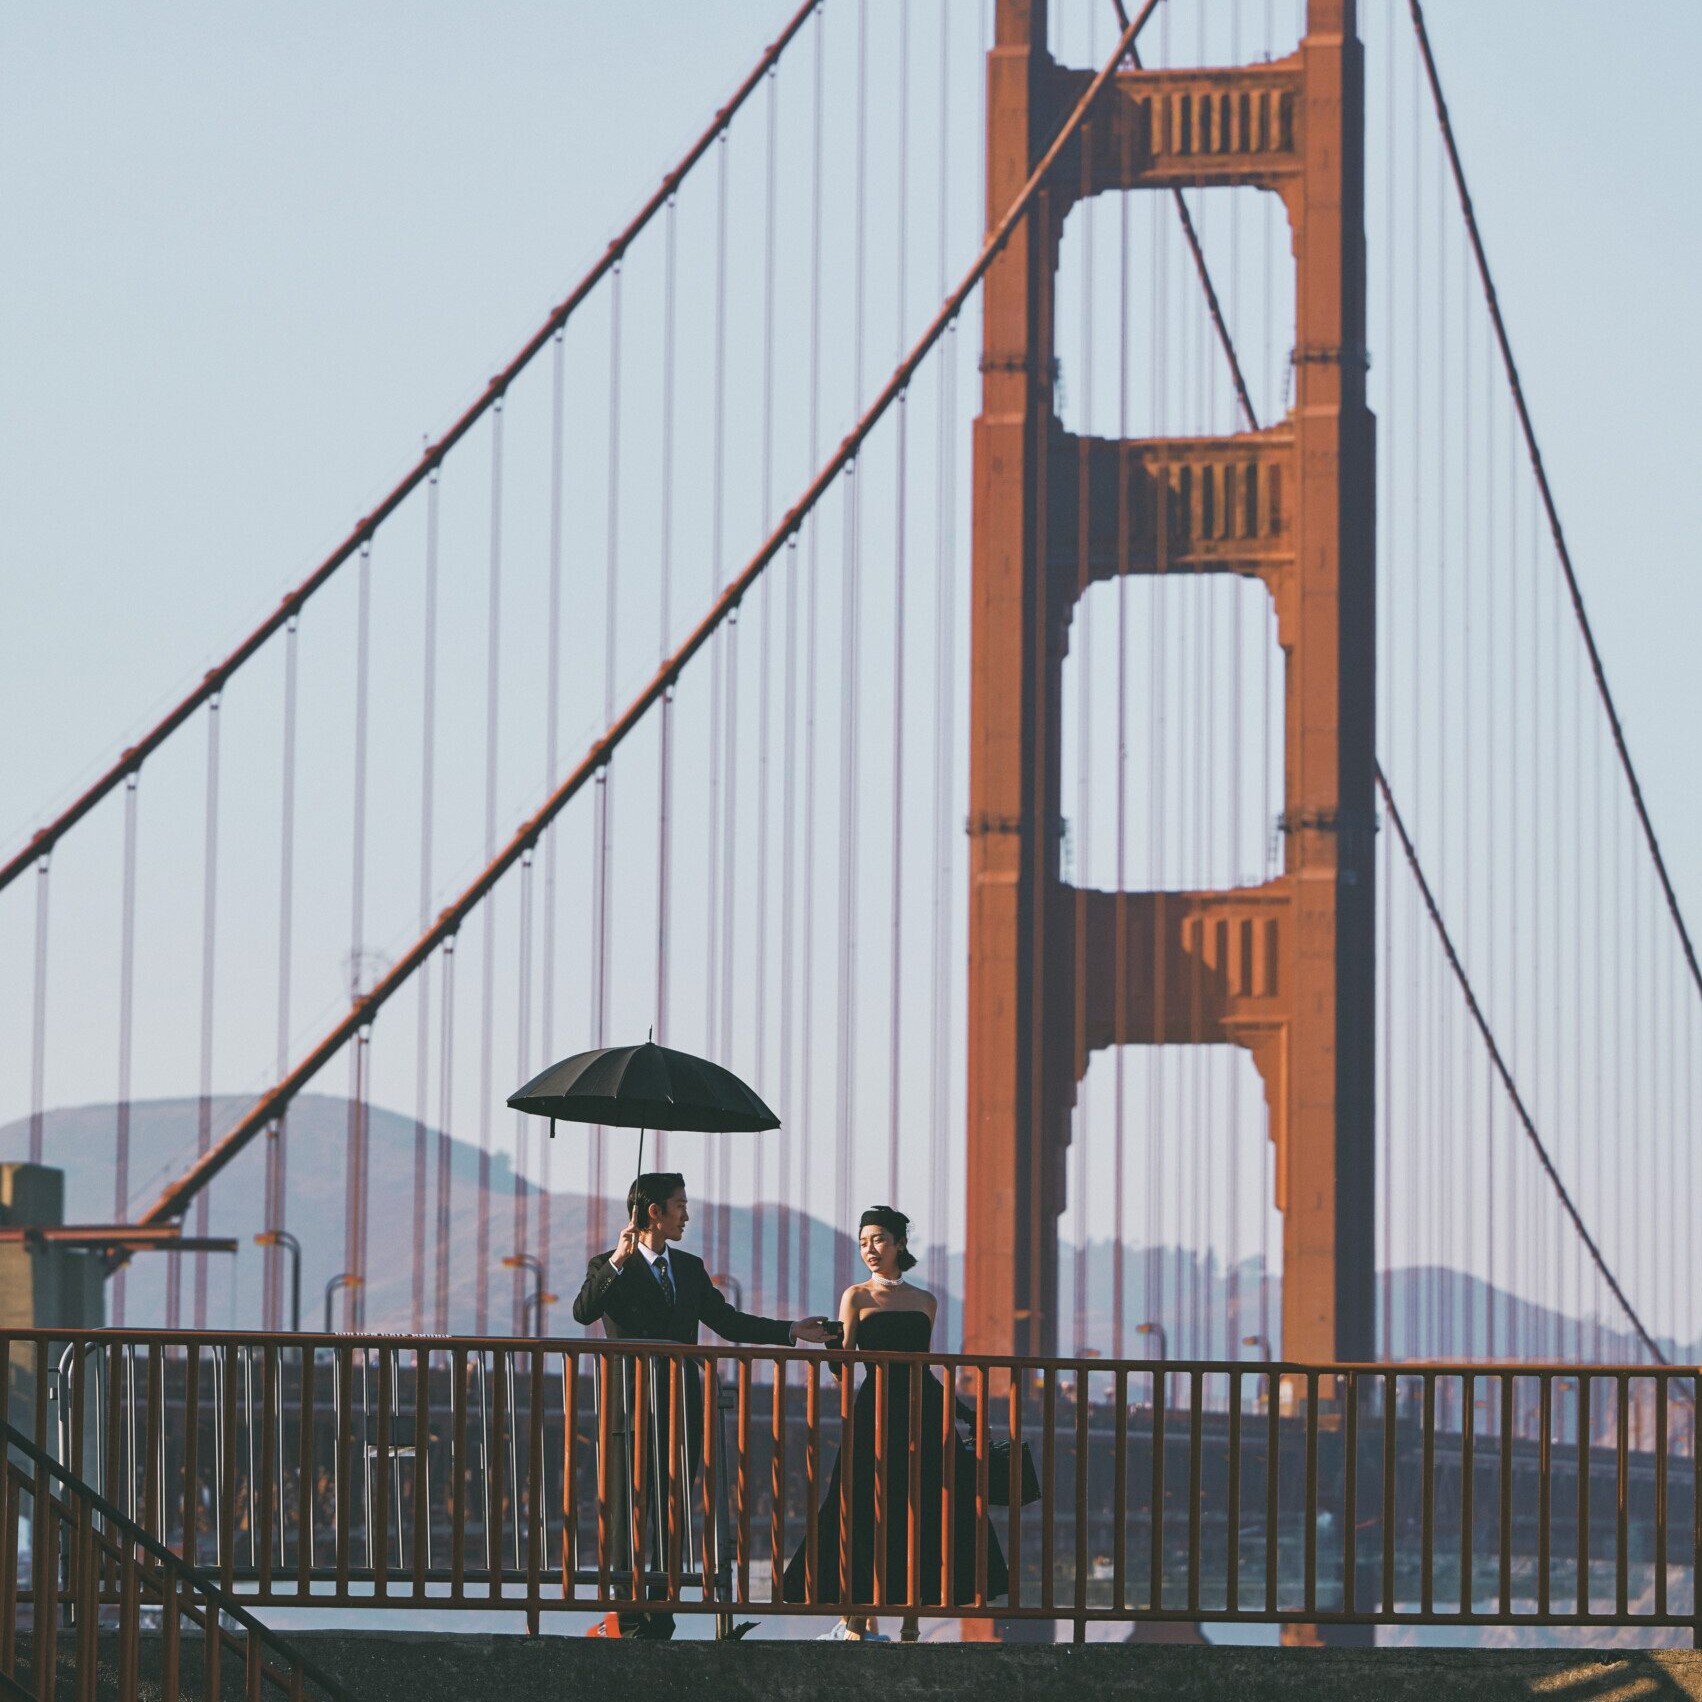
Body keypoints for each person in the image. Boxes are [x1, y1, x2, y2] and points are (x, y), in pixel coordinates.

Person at [573, 1171, 836, 1638]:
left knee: (672, 1508)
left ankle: (662, 1616)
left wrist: (791, 1330)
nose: (687, 1215)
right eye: (680, 1205)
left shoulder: (689, 1268)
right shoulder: (607, 1264)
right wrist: (618, 1258)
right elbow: (583, 1311)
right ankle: (629, 1618)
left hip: (682, 1406)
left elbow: (727, 1323)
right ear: (653, 1211)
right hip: (629, 1410)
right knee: (629, 1512)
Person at [783, 1205, 1008, 1641]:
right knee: (861, 1504)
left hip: (922, 1413)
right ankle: (856, 1616)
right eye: (864, 1241)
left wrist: (964, 1414)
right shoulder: (857, 1296)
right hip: (872, 1413)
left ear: (900, 1243)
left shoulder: (926, 1301)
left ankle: (910, 1621)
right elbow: (845, 1366)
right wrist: (832, 1349)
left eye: (879, 1239)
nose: (870, 1249)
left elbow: (924, 1369)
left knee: (924, 1507)